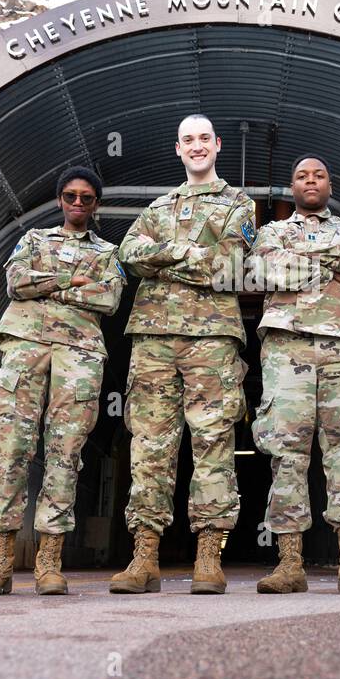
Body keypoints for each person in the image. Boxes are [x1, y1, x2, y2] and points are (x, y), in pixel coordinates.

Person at [110, 114, 255, 595]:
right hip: (152, 339)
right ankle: (144, 557)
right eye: (187, 140)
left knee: (212, 442)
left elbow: (228, 265)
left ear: (217, 145)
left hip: (212, 339)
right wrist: (194, 253)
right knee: (149, 446)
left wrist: (166, 256)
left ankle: (208, 557)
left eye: (203, 139)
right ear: (178, 149)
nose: (196, 147)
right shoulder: (157, 206)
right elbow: (129, 255)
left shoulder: (240, 204)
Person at [0, 166, 124, 596]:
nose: (78, 203)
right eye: (70, 196)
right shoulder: (34, 240)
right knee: (12, 451)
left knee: (66, 454)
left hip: (79, 358)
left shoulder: (109, 253)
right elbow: (16, 282)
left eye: (86, 198)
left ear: (96, 205)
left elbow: (108, 298)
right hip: (25, 349)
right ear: (60, 200)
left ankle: (49, 562)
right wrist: (71, 280)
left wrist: (47, 286)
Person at [249, 155, 340, 593]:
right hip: (286, 347)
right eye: (301, 176)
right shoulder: (270, 232)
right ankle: (289, 563)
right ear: (291, 187)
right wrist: (326, 262)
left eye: (319, 175)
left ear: (330, 184)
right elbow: (264, 270)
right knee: (286, 452)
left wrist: (301, 258)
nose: (310, 181)